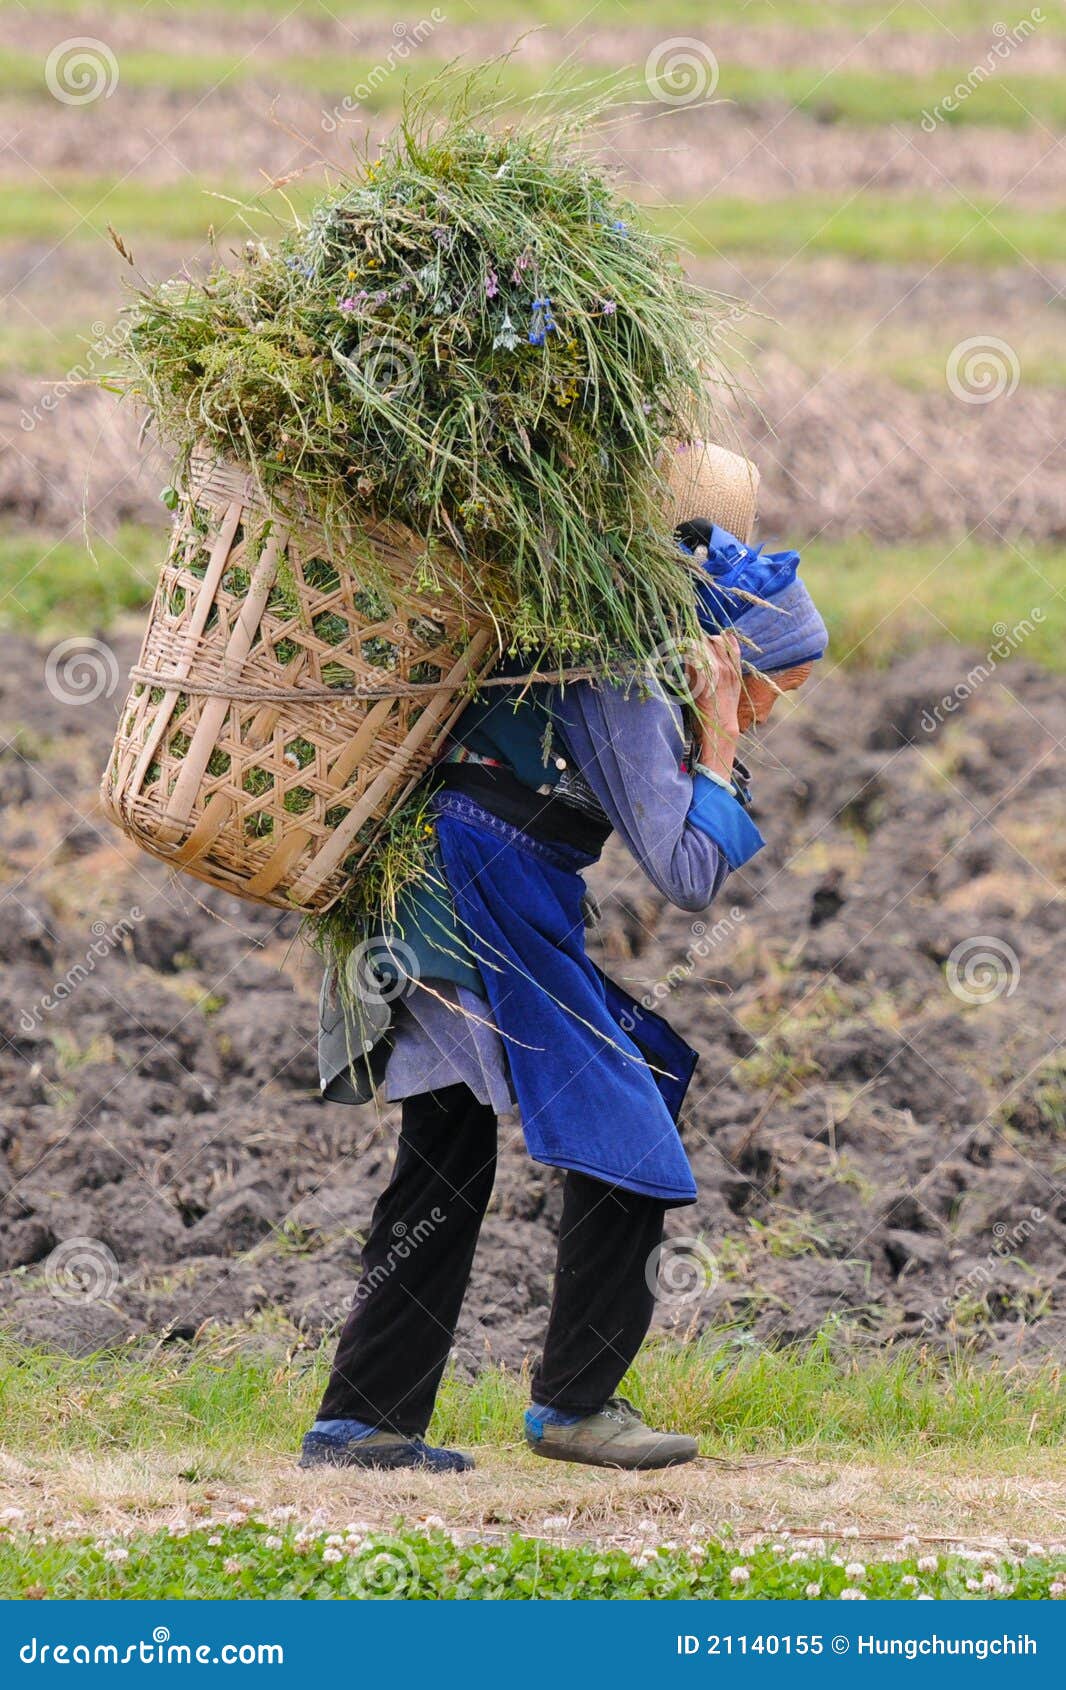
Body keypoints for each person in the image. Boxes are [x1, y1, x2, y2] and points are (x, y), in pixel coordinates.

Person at [300, 510, 827, 1474]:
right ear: (724, 657)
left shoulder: (611, 661)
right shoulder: (622, 672)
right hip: (478, 882)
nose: (766, 716)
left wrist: (709, 738)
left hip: (451, 877)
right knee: (627, 1122)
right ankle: (575, 1405)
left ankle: (362, 1426)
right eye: (770, 690)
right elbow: (686, 870)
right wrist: (713, 744)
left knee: (447, 1147)